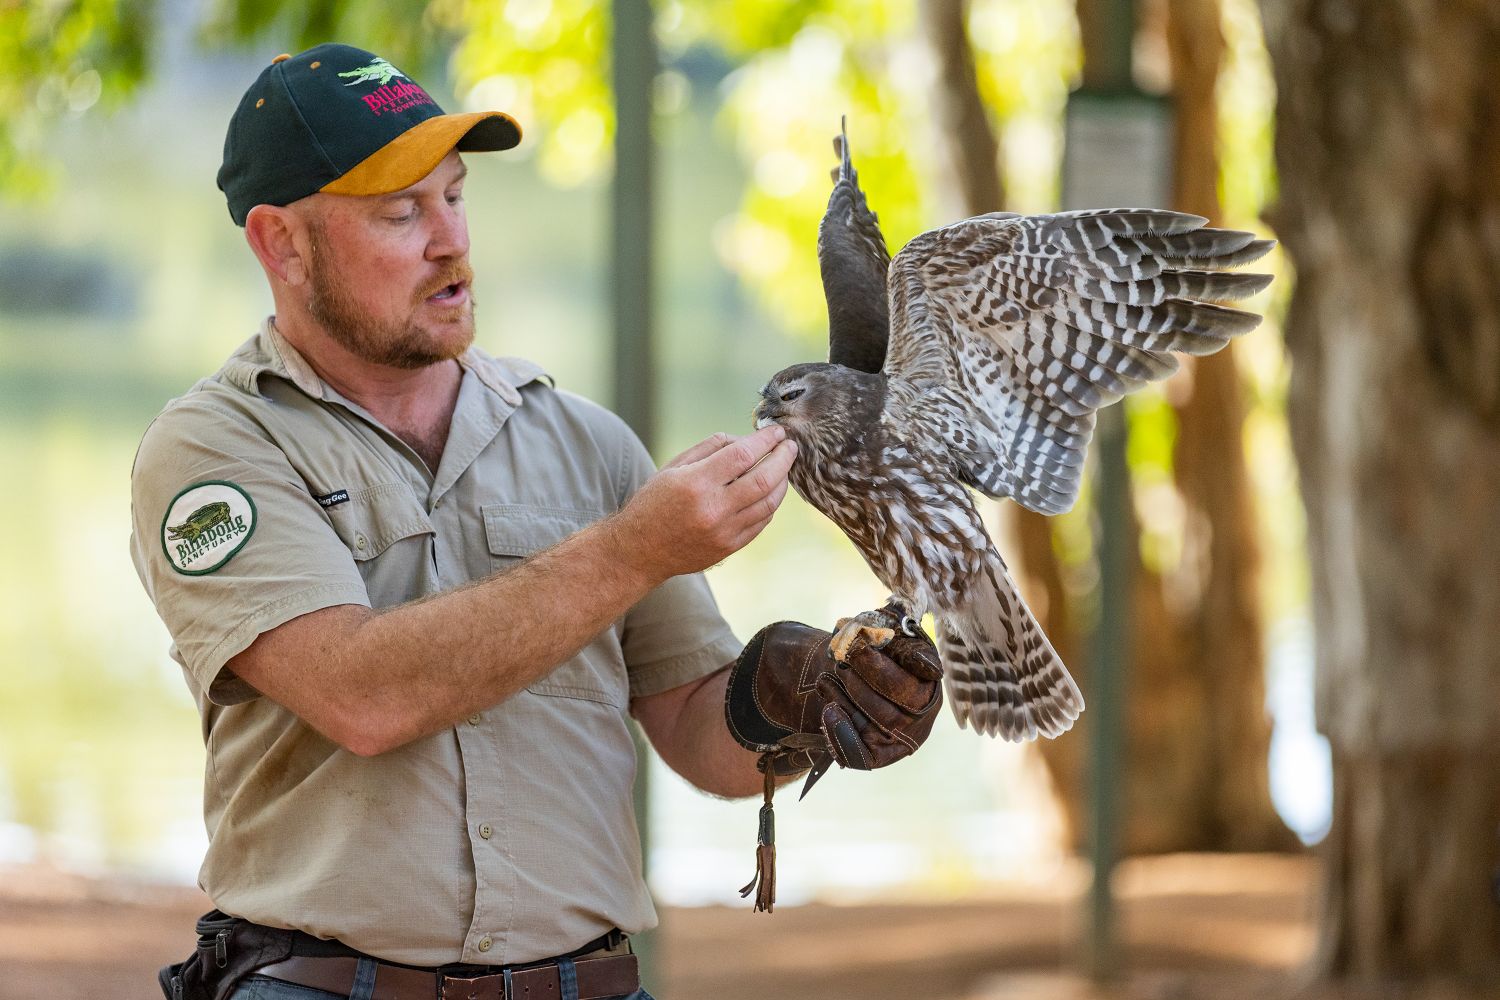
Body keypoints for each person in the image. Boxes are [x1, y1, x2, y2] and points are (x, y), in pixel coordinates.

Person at [131, 43, 943, 1000]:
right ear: (281, 244)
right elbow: (363, 697)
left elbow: (698, 731)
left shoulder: (586, 440)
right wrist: (635, 548)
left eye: (455, 197)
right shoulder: (215, 451)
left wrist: (806, 694)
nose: (451, 244)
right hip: (318, 987)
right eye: (401, 212)